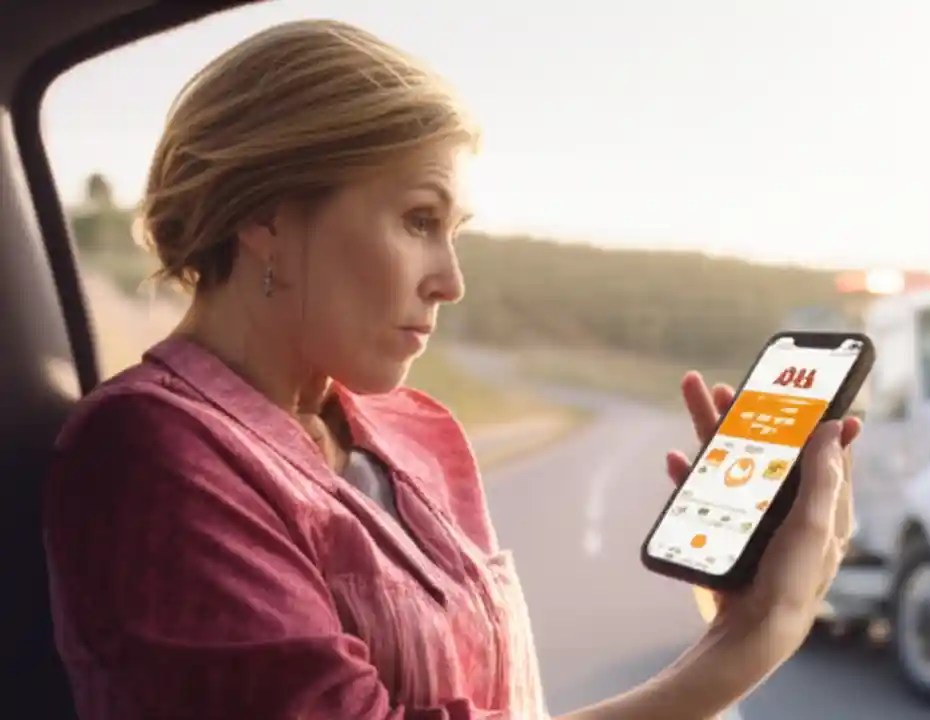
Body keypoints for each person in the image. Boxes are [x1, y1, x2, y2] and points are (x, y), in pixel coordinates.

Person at [42, 19, 861, 720]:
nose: (451, 280)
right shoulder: (150, 453)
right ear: (266, 215)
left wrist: (726, 617)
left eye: (453, 229)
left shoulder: (419, 433)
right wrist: (740, 651)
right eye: (419, 219)